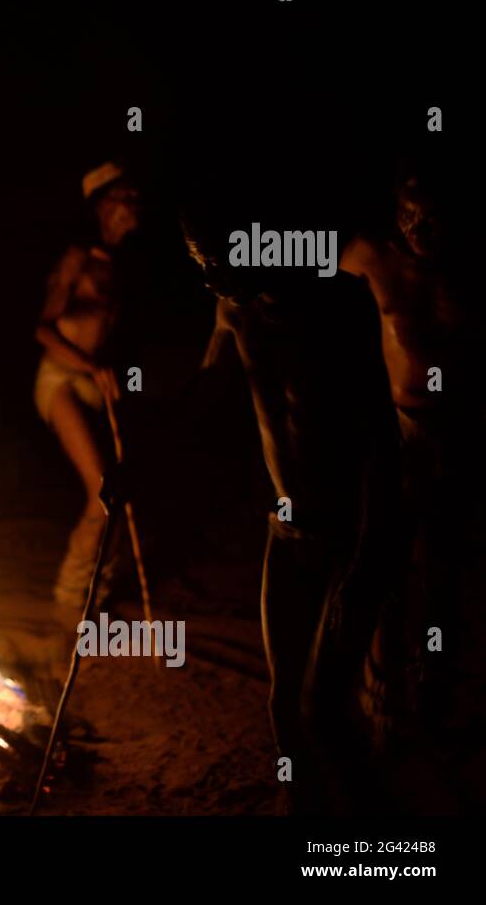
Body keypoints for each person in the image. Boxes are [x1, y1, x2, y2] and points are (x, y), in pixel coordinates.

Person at [180, 181, 400, 813]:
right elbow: (204, 393)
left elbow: (381, 442)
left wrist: (366, 556)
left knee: (324, 709)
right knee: (284, 705)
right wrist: (137, 461)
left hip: (351, 534)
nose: (210, 277)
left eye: (219, 258)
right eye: (199, 263)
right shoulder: (233, 311)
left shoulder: (338, 309)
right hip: (287, 533)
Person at [339, 166, 486, 810]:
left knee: (444, 570)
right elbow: (292, 268)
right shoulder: (371, 257)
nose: (421, 227)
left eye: (432, 216)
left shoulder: (467, 269)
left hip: (458, 433)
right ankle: (381, 700)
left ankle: (434, 698)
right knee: (387, 568)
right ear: (393, 215)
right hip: (397, 432)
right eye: (410, 216)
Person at [33, 161, 141, 611]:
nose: (132, 204)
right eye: (122, 198)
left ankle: (101, 589)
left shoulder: (119, 265)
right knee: (99, 491)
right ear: (100, 206)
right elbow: (43, 330)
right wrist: (90, 367)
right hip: (60, 378)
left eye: (134, 196)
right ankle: (68, 597)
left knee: (119, 489)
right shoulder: (77, 259)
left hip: (94, 383)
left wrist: (107, 373)